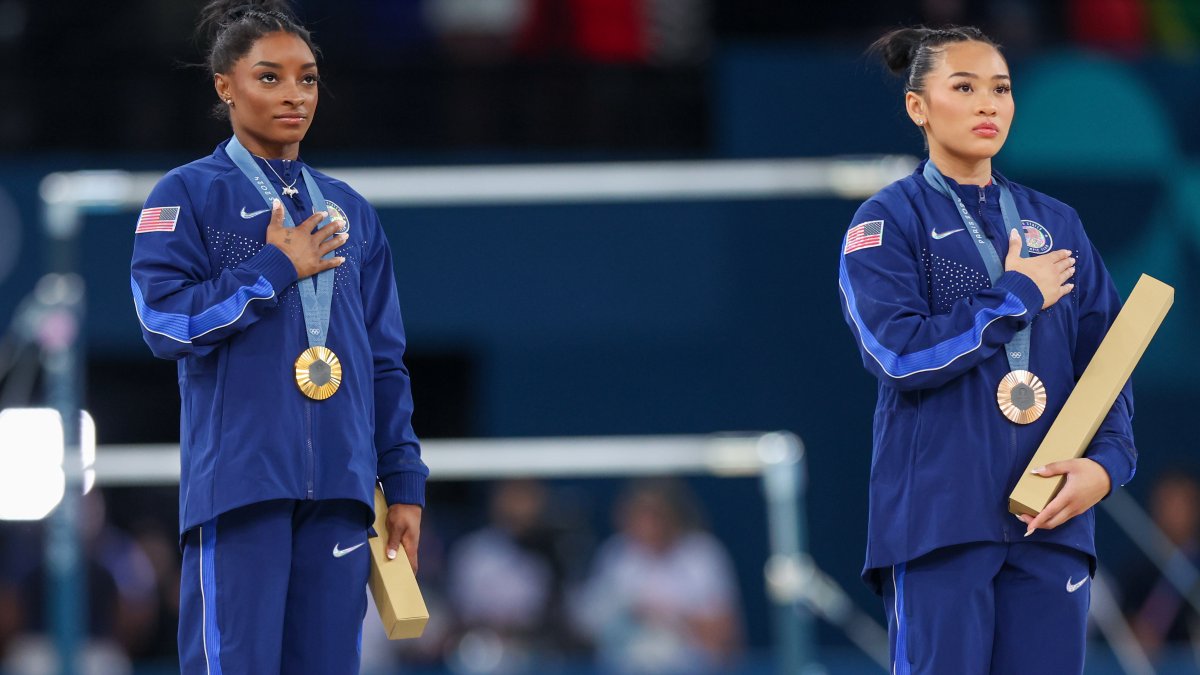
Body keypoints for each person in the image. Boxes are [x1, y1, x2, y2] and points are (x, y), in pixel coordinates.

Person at [128, 2, 428, 673]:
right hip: (240, 487)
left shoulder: (349, 211)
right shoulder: (187, 196)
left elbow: (384, 361)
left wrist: (403, 479)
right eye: (270, 77)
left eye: (308, 78)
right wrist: (273, 267)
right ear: (224, 86)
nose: (293, 94)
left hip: (343, 492)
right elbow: (162, 321)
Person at [838, 26, 1136, 674]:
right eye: (964, 87)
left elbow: (1106, 363)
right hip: (940, 522)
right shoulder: (887, 221)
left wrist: (1108, 465)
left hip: (1050, 520)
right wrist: (1012, 297)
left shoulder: (1057, 223)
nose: (988, 105)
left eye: (1000, 88)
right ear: (919, 106)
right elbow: (898, 354)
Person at [574, 479, 741, 674]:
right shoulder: (616, 555)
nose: (648, 524)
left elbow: (724, 636)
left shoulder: (702, 555)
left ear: (673, 515)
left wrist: (667, 617)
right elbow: (589, 626)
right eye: (640, 515)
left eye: (655, 514)